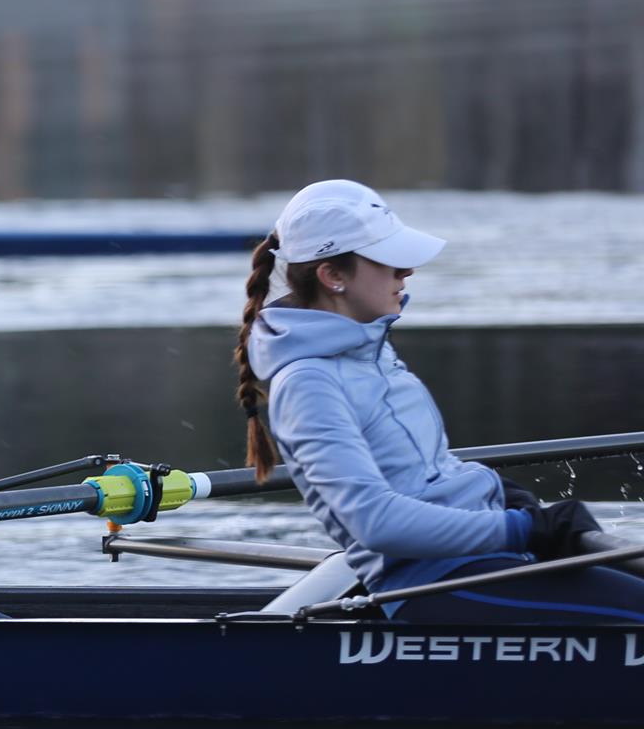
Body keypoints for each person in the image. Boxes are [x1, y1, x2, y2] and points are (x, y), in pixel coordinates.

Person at [236, 179, 644, 625]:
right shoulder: (309, 383)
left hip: (473, 568)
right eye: (388, 261)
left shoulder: (366, 350)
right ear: (333, 276)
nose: (405, 273)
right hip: (433, 586)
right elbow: (377, 522)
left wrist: (498, 493)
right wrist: (524, 529)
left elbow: (421, 472)